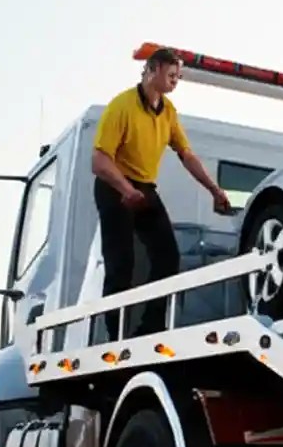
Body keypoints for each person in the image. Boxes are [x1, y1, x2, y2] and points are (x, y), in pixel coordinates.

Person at [91, 46, 232, 339]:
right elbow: (100, 161)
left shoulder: (167, 112)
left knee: (168, 257)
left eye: (178, 76)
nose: (175, 81)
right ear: (152, 70)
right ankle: (115, 334)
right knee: (121, 264)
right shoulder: (122, 106)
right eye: (171, 75)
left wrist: (214, 190)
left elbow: (186, 154)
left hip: (143, 189)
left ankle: (149, 328)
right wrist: (125, 189)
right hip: (114, 186)